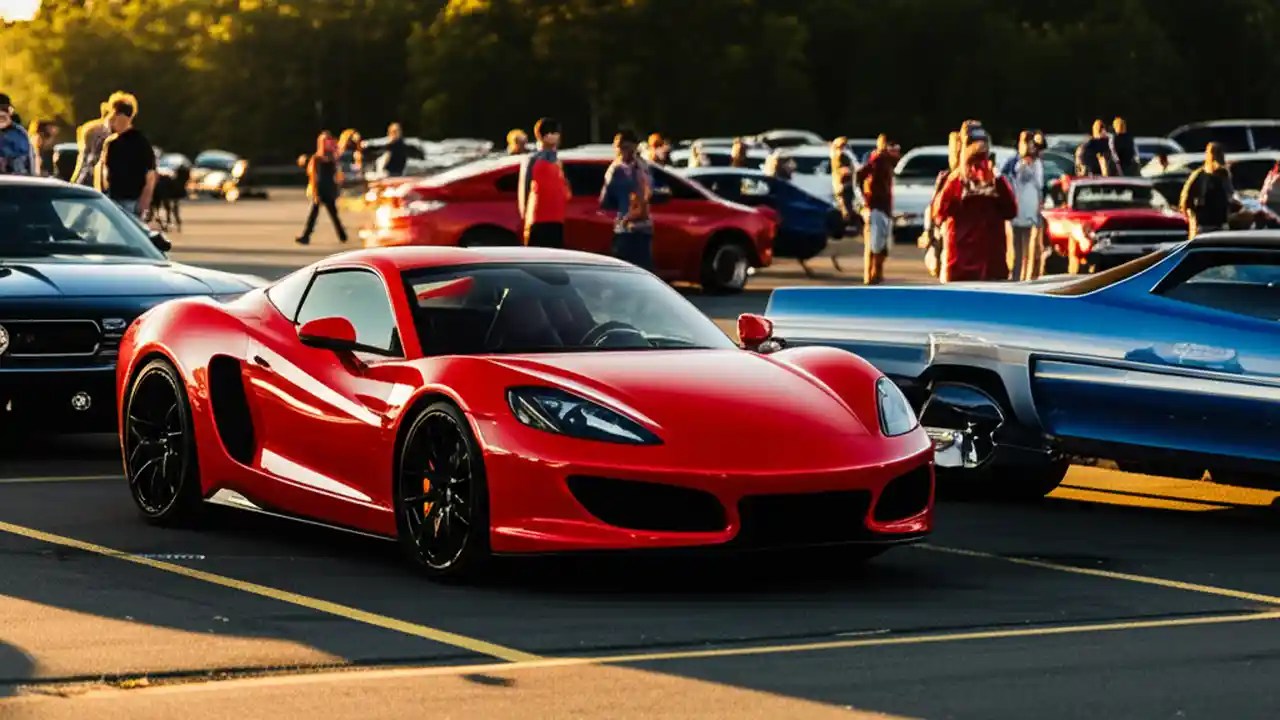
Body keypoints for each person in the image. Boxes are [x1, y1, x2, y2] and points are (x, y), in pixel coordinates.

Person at [932, 132, 1017, 282]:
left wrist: (996, 183)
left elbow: (1011, 210)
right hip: (962, 267)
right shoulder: (953, 181)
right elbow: (939, 214)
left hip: (990, 266)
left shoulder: (995, 179)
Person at [600, 129, 654, 270]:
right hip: (638, 227)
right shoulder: (643, 167)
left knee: (626, 270)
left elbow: (605, 200)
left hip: (627, 227)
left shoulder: (616, 170)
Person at [95, 95, 157, 218]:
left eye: (112, 114)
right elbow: (103, 172)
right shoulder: (110, 143)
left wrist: (143, 205)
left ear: (121, 115)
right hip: (111, 200)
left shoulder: (141, 142)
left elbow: (150, 176)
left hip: (131, 202)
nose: (110, 119)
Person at [517, 117, 570, 248]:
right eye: (549, 133)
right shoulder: (533, 159)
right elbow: (525, 188)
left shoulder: (558, 161)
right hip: (537, 218)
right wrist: (525, 215)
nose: (553, 137)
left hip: (556, 217)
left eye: (555, 133)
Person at [855, 134, 900, 284]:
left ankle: (876, 273)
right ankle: (872, 274)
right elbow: (860, 175)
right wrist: (865, 198)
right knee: (875, 244)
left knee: (881, 244)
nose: (897, 154)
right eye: (894, 149)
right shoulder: (879, 160)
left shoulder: (886, 162)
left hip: (883, 207)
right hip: (876, 207)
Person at [920, 131, 963, 278]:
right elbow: (934, 208)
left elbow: (935, 208)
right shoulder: (947, 178)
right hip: (948, 234)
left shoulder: (955, 178)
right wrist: (929, 231)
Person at [1179, 142, 1240, 238]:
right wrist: (1192, 219)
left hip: (1221, 224)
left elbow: (1230, 197)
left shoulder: (1224, 175)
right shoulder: (1200, 175)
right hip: (1204, 225)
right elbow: (1186, 200)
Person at [296, 132, 347, 245]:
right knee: (319, 214)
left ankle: (342, 235)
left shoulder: (329, 158)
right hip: (323, 189)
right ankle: (307, 236)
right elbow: (314, 175)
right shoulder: (321, 158)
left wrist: (337, 188)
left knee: (329, 214)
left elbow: (335, 175)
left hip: (326, 188)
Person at [1008, 130, 1045, 281]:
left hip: (1031, 209)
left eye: (1030, 144)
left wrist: (1029, 168)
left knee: (1031, 246)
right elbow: (1009, 180)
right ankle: (1016, 275)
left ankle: (1029, 277)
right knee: (1017, 246)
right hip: (1018, 209)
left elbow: (1040, 184)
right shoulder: (1014, 162)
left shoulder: (1037, 163)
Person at [73, 100, 114, 186]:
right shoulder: (101, 131)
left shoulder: (90, 128)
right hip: (97, 175)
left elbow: (83, 158)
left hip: (87, 174)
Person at [0, 98, 34, 176]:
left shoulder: (19, 133)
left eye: (5, 110)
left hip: (16, 180)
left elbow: (29, 160)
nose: (1, 113)